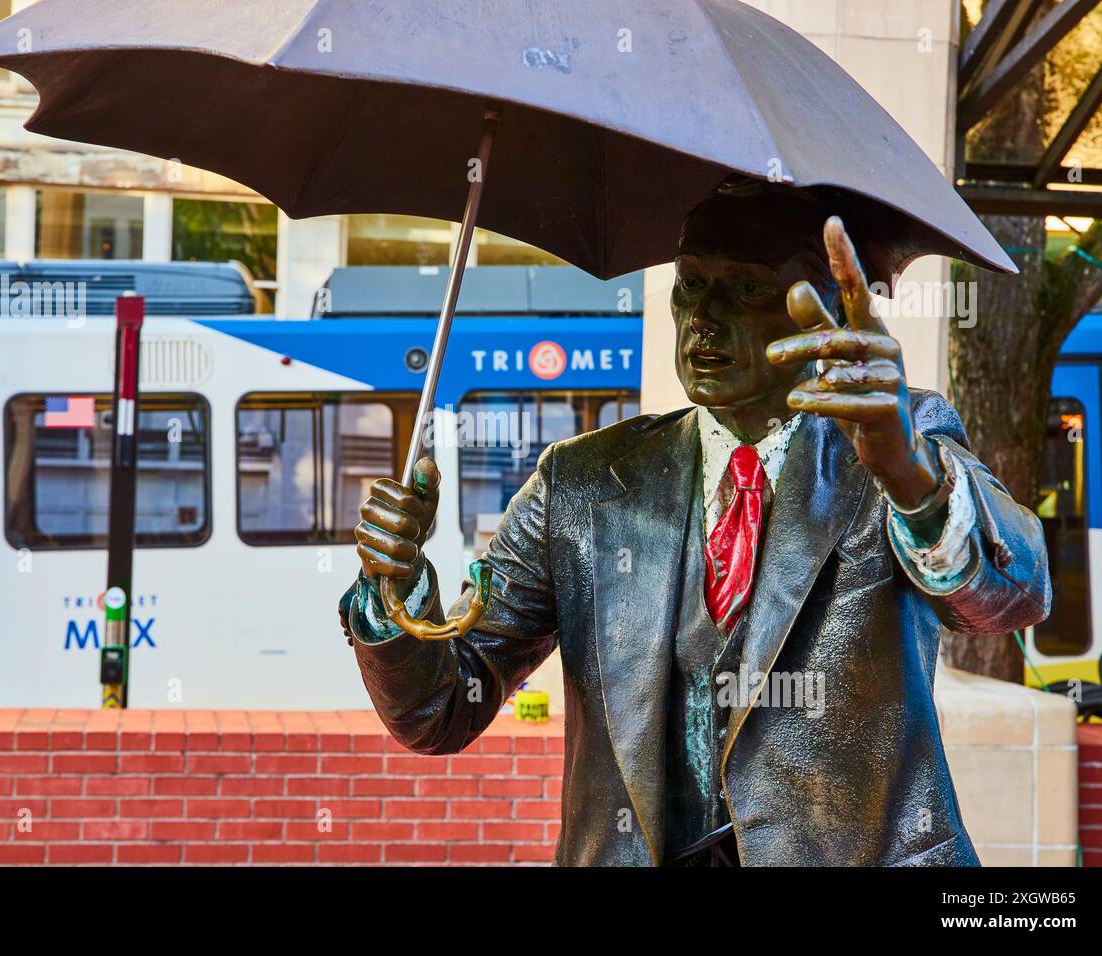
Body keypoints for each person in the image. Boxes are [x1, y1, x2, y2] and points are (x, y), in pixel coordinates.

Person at [338, 177, 1051, 866]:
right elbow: (437, 710)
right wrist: (393, 591)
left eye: (746, 287)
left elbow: (1015, 597)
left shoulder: (902, 442)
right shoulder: (582, 484)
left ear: (824, 310)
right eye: (691, 283)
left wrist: (912, 477)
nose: (706, 316)